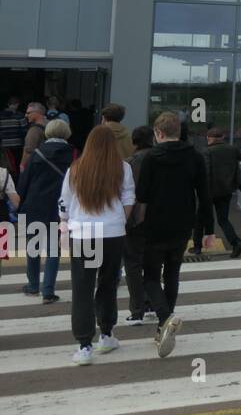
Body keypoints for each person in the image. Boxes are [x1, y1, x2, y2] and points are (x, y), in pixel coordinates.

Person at [136, 111, 214, 358]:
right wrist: (208, 231)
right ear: (178, 132)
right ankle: (163, 327)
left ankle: (165, 317)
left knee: (149, 276)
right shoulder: (195, 157)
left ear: (158, 133)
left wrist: (135, 222)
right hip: (183, 224)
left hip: (155, 223)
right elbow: (204, 195)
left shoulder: (150, 158)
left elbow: (142, 195)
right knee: (172, 273)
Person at [59, 124, 135, 364]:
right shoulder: (123, 168)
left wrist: (67, 223)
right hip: (112, 233)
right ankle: (106, 334)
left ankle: (84, 345)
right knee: (108, 284)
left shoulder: (75, 169)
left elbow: (64, 203)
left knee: (82, 288)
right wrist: (120, 220)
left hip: (83, 234)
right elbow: (129, 199)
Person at [15, 118, 74, 303]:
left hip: (34, 205)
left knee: (33, 247)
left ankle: (33, 286)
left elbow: (25, 181)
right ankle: (48, 290)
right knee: (53, 249)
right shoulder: (73, 155)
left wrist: (19, 201)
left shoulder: (37, 153)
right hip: (59, 208)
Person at [202, 127, 241, 259]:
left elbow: (206, 172)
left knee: (202, 218)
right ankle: (235, 242)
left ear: (210, 138)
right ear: (222, 138)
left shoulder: (207, 151)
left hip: (210, 191)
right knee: (223, 220)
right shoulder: (232, 149)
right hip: (226, 190)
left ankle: (200, 245)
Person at [122, 125, 155, 324]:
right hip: (157, 217)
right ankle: (152, 301)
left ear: (133, 142)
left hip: (134, 219)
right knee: (152, 261)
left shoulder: (129, 163)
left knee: (132, 264)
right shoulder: (161, 158)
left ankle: (137, 309)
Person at [1, 96, 25, 174]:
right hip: (17, 145)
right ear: (17, 104)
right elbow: (24, 130)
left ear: (8, 104)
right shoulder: (20, 115)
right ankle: (16, 182)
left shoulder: (0, 116)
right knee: (17, 165)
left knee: (5, 165)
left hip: (4, 146)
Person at [21, 102, 47, 169]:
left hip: (36, 167)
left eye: (28, 113)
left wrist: (22, 166)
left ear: (37, 113)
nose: (25, 115)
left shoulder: (34, 130)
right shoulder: (51, 124)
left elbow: (28, 151)